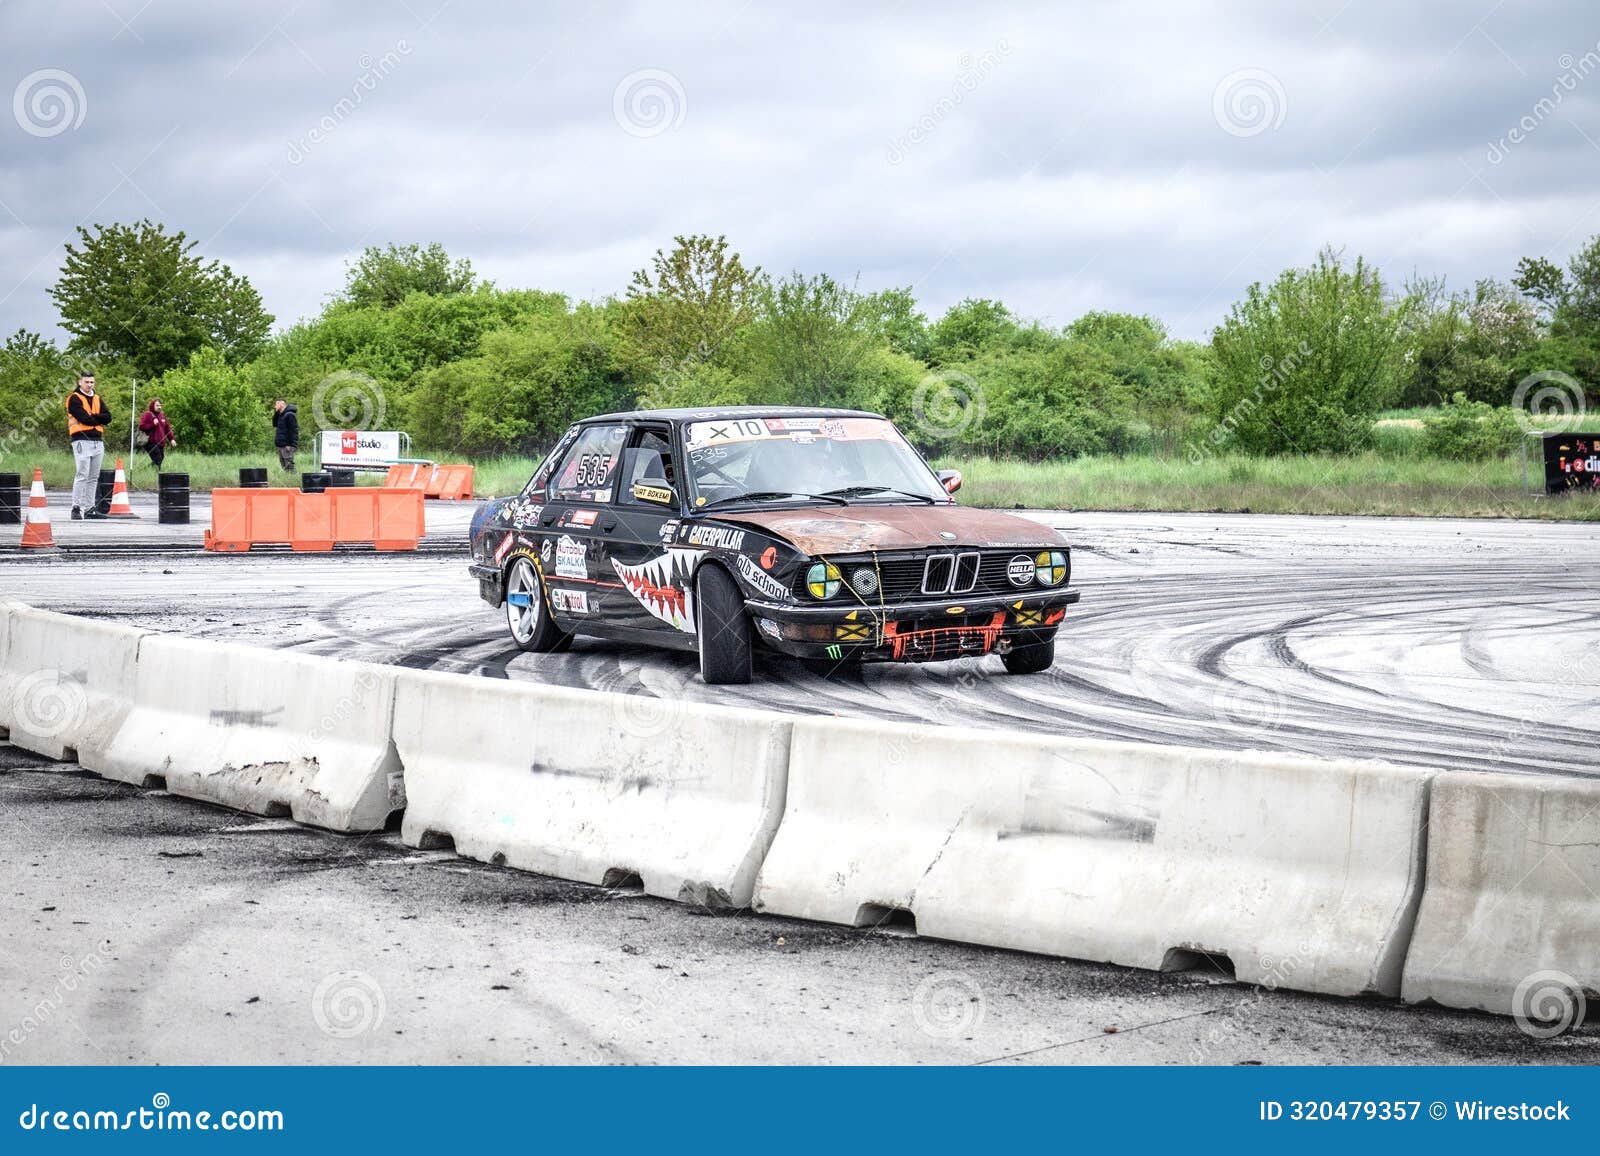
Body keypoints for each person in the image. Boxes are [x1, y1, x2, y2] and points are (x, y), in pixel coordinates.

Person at [66, 373, 110, 520]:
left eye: (92, 382)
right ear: (80, 382)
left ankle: (90, 508)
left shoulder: (97, 398)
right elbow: (84, 418)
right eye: (87, 382)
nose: (90, 384)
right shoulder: (74, 398)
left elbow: (108, 417)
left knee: (93, 477)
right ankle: (76, 508)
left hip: (97, 441)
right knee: (82, 474)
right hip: (81, 440)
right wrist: (98, 418)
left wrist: (93, 418)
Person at [138, 398, 176, 469]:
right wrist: (152, 424)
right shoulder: (147, 414)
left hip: (161, 443)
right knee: (158, 459)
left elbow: (167, 428)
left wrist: (171, 439)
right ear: (153, 406)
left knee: (160, 459)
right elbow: (141, 426)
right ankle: (157, 474)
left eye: (160, 405)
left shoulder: (162, 416)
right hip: (151, 442)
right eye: (157, 405)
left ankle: (146, 470)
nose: (159, 407)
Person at [272, 398, 299, 472]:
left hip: (287, 445)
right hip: (280, 444)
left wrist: (290, 445)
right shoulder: (281, 415)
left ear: (281, 404)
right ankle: (288, 478)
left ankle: (293, 480)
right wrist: (276, 412)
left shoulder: (290, 414)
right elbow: (274, 424)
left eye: (276, 404)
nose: (275, 406)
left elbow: (293, 430)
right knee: (284, 465)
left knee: (289, 464)